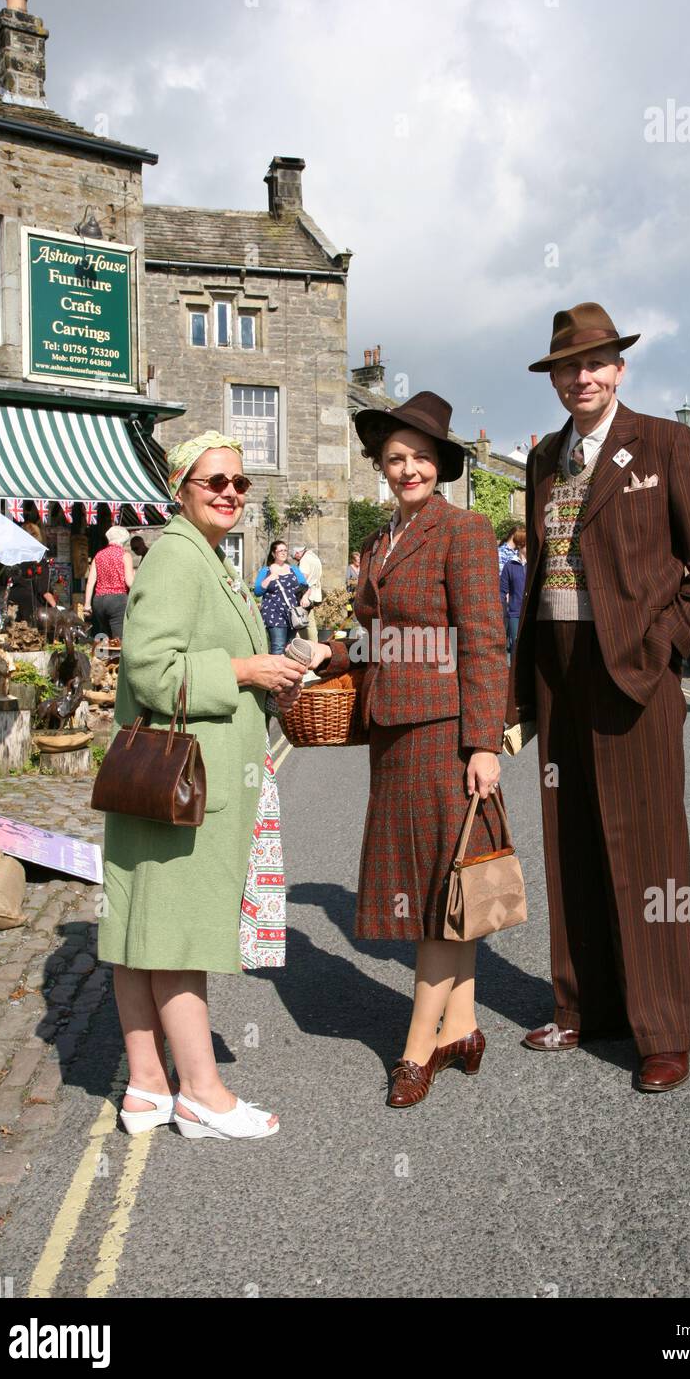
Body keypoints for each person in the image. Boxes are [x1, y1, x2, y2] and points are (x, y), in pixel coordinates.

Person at [508, 302, 690, 1093]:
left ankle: (664, 1031)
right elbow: (540, 572)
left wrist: (667, 642)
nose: (583, 377)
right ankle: (584, 1007)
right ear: (555, 378)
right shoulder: (543, 460)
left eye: (596, 363)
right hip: (557, 671)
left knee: (648, 854)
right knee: (571, 846)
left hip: (634, 672)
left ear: (620, 368)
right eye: (569, 367)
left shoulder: (666, 445)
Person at [99, 431, 305, 1140]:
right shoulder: (182, 559)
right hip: (184, 779)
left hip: (162, 776)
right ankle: (203, 1094)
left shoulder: (199, 556)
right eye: (215, 480)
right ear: (182, 488)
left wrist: (269, 670)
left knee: (141, 929)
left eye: (241, 483)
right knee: (181, 936)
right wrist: (247, 671)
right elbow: (150, 670)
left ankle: (149, 1087)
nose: (230, 493)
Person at [309, 392, 508, 1108]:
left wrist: (484, 742)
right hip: (391, 730)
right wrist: (334, 652)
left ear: (441, 464)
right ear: (380, 467)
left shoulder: (467, 532)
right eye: (395, 458)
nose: (408, 468)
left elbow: (484, 641)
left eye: (421, 457)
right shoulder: (378, 543)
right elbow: (376, 635)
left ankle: (417, 1048)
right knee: (448, 885)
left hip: (445, 734)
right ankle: (463, 1025)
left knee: (434, 892)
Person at [253, 541, 309, 654]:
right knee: (278, 646)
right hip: (274, 613)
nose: (284, 553)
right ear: (274, 554)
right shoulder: (266, 571)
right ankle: (275, 671)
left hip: (292, 614)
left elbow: (305, 586)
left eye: (285, 550)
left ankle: (288, 671)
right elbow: (257, 591)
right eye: (280, 550)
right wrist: (269, 579)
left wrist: (305, 597)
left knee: (290, 647)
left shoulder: (294, 569)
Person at [84, 526, 135, 638]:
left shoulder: (98, 555)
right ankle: (116, 656)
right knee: (119, 639)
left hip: (99, 601)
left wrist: (87, 605)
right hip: (118, 600)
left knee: (106, 636)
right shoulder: (125, 555)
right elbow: (130, 582)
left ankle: (104, 655)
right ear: (124, 540)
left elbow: (90, 582)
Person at [500, 532, 526, 660]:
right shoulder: (509, 566)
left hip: (532, 612)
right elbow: (502, 591)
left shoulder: (534, 565)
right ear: (521, 547)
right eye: (527, 545)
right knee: (516, 646)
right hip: (515, 613)